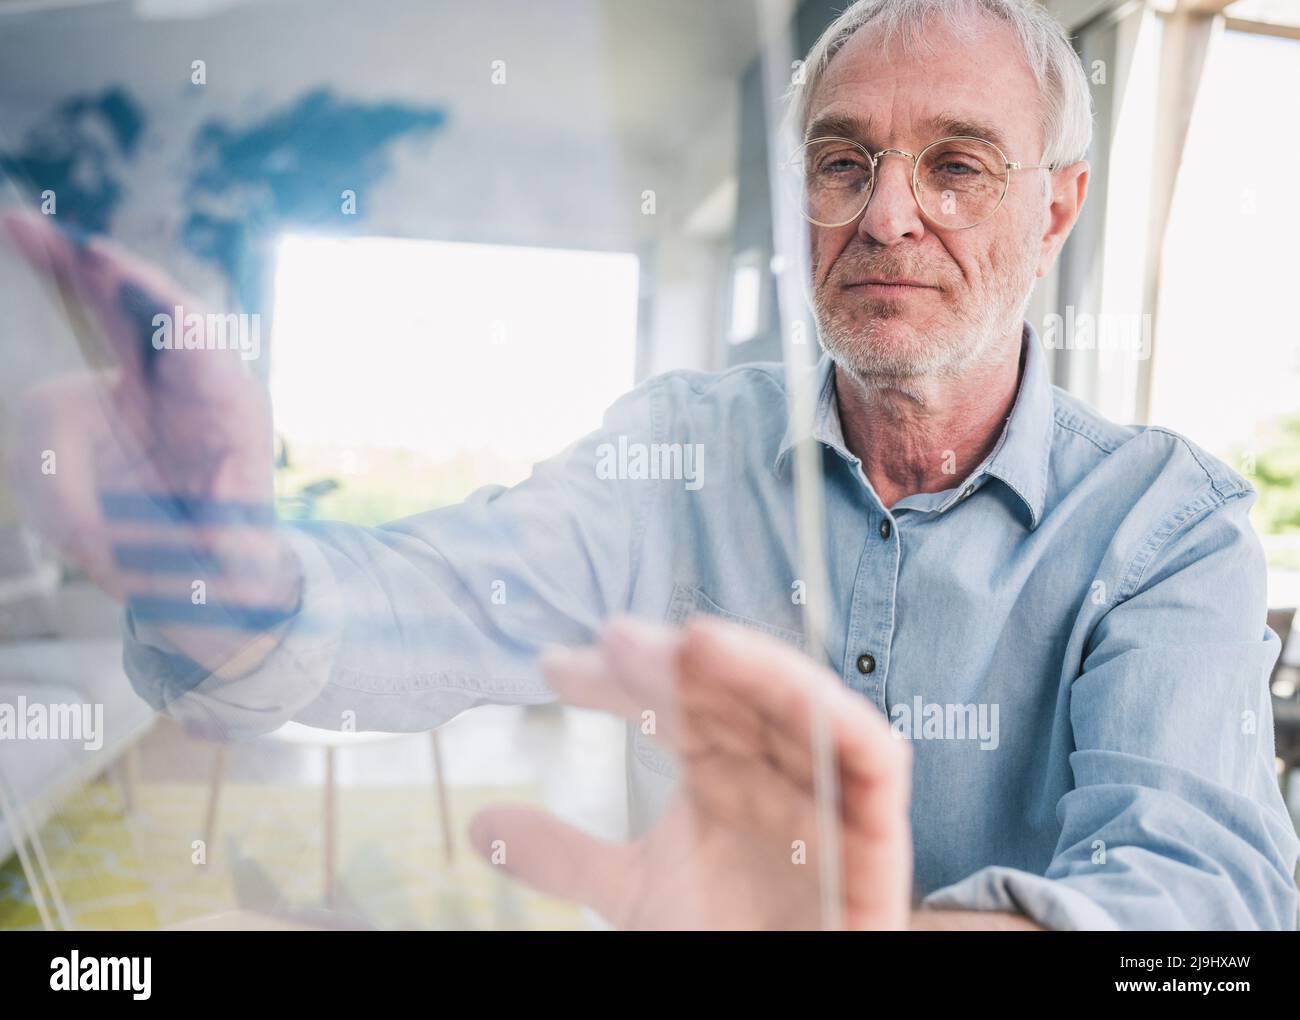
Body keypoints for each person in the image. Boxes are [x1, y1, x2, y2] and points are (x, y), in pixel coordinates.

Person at [5, 0, 1297, 929]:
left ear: (1056, 208)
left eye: (957, 165)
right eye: (842, 162)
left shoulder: (1167, 525)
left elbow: (1204, 888)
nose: (885, 214)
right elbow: (448, 593)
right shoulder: (677, 447)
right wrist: (227, 565)